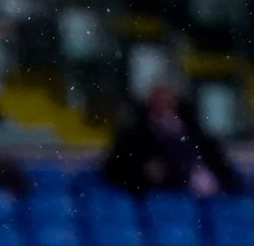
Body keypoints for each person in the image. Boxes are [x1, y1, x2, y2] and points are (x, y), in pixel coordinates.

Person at [102, 83, 241, 198]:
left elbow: (218, 162)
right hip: (156, 195)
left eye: (168, 102)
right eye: (159, 102)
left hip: (198, 194)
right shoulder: (133, 135)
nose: (164, 107)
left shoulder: (195, 131)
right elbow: (117, 169)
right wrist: (144, 173)